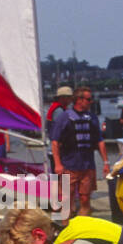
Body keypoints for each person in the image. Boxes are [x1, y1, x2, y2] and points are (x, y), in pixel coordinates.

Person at [50, 87, 110, 217]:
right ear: (79, 100)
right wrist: (57, 164)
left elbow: (100, 141)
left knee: (85, 199)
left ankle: (82, 227)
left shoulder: (92, 118)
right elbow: (54, 142)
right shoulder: (64, 117)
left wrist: (106, 162)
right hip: (68, 165)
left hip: (87, 166)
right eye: (88, 99)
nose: (91, 102)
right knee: (67, 199)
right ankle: (65, 226)